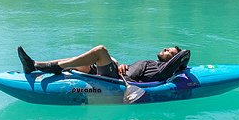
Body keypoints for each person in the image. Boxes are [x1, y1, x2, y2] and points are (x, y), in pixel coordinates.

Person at [17, 44, 189, 82]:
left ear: (173, 61)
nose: (165, 50)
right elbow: (135, 70)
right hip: (117, 73)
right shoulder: (152, 62)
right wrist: (122, 65)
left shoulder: (164, 69)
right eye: (166, 48)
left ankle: (48, 67)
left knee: (100, 50)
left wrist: (179, 59)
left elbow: (184, 55)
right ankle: (35, 64)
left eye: (169, 52)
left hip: (117, 81)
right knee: (83, 62)